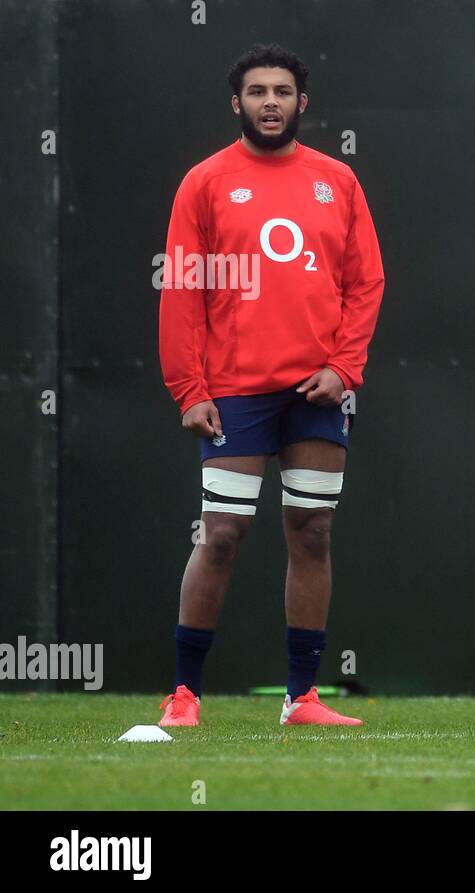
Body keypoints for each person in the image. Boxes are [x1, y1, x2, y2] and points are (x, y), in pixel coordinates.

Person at [156, 43, 384, 727]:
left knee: (312, 532)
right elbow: (181, 291)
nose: (270, 102)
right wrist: (189, 388)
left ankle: (302, 698)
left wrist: (343, 369)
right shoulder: (205, 182)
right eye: (257, 91)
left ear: (302, 102)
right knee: (221, 533)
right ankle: (184, 694)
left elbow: (365, 283)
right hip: (235, 392)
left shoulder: (336, 181)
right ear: (237, 102)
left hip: (318, 391)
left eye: (282, 91)